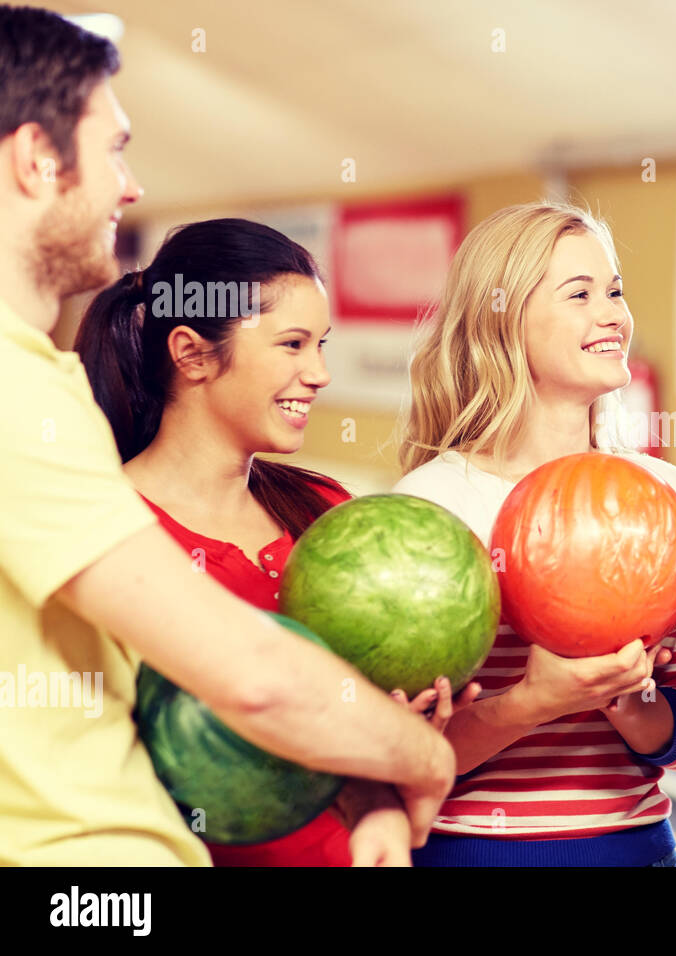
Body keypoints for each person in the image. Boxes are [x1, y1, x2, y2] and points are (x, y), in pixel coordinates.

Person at [0, 4, 452, 866]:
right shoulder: (11, 391)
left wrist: (369, 785)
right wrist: (419, 757)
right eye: (115, 148)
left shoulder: (42, 384)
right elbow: (251, 679)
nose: (130, 187)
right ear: (36, 159)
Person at [75, 216, 453, 866]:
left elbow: (381, 767)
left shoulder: (325, 514)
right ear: (193, 353)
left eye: (323, 344)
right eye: (293, 344)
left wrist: (396, 737)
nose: (321, 373)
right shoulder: (108, 536)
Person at [393, 201, 676, 867]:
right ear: (502, 317)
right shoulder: (432, 504)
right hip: (468, 854)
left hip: (635, 849)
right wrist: (531, 703)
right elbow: (399, 757)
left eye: (615, 291)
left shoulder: (664, 495)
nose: (613, 315)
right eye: (580, 294)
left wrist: (630, 705)